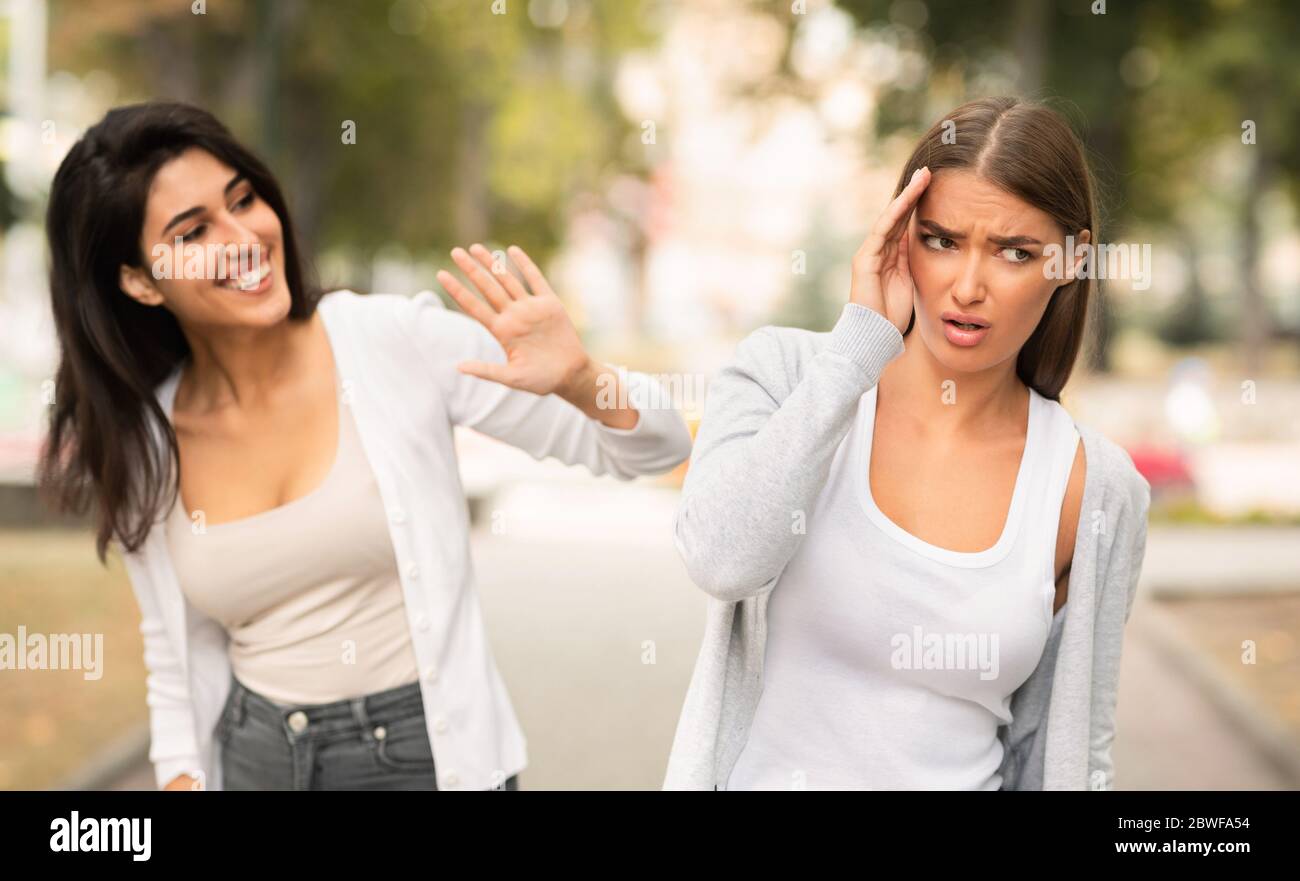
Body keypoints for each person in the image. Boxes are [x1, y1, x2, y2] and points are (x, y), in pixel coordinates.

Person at [39, 101, 692, 791]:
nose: (244, 236)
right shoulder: (145, 442)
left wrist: (586, 381)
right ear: (139, 280)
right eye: (195, 230)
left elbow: (652, 449)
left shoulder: (392, 341)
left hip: (423, 760)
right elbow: (177, 654)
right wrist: (181, 779)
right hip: (255, 760)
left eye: (244, 199)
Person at [665, 96, 1151, 791]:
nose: (968, 285)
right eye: (942, 240)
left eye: (1016, 252)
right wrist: (858, 349)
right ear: (898, 234)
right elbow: (718, 558)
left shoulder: (1093, 486)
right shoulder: (785, 376)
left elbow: (1066, 752)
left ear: (1072, 261)